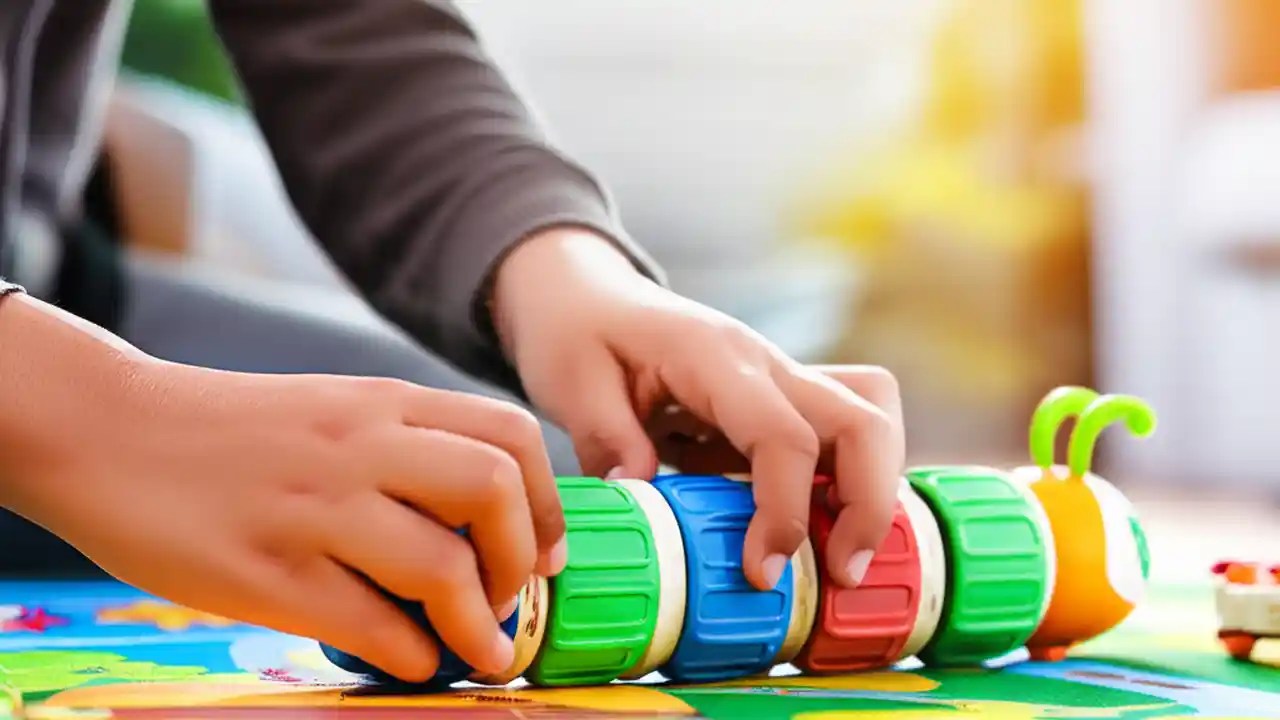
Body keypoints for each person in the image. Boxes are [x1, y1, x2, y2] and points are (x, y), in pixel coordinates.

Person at [0, 0, 904, 682]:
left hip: (60, 286)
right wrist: (89, 421)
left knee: (527, 488)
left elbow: (348, 29)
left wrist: (555, 269)